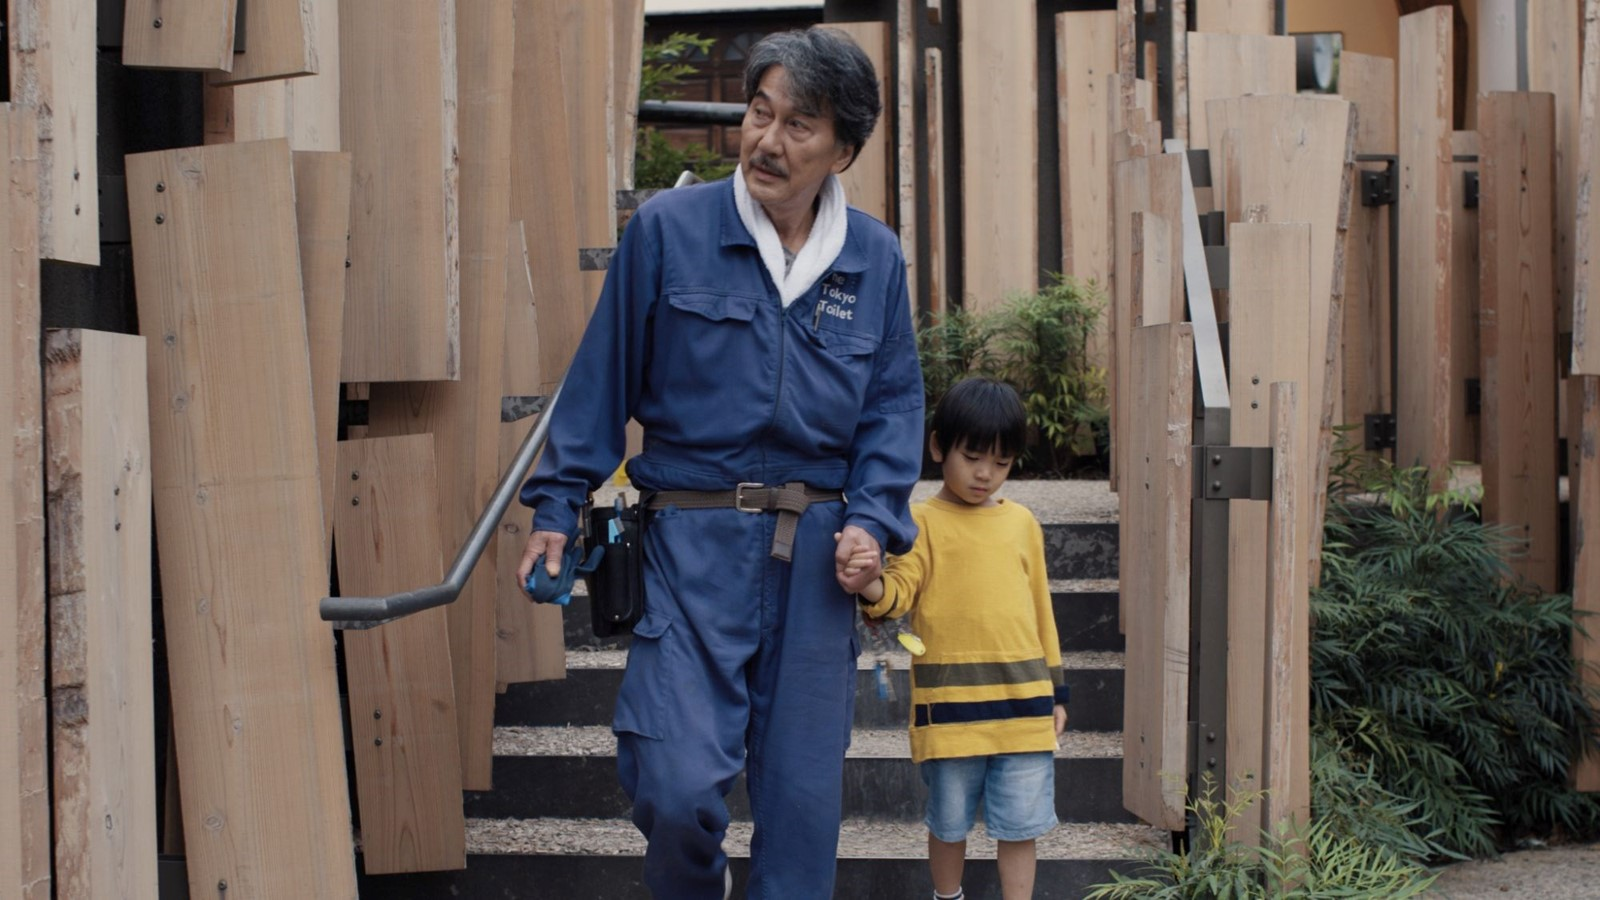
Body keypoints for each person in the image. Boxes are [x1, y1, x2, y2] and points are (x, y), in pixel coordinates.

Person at [514, 26, 924, 900]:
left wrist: (871, 518)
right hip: (689, 549)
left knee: (803, 816)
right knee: (673, 786)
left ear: (844, 149)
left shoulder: (874, 258)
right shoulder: (669, 231)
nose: (767, 140)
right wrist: (556, 507)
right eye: (759, 111)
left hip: (815, 561)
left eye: (799, 125)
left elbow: (892, 409)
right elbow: (599, 381)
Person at [846, 377, 1070, 900]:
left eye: (1002, 461)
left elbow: (1042, 612)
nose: (985, 473)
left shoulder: (1022, 524)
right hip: (950, 710)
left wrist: (1058, 691)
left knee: (1022, 827)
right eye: (972, 456)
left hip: (1024, 706)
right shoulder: (919, 522)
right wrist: (871, 581)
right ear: (938, 445)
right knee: (948, 824)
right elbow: (897, 593)